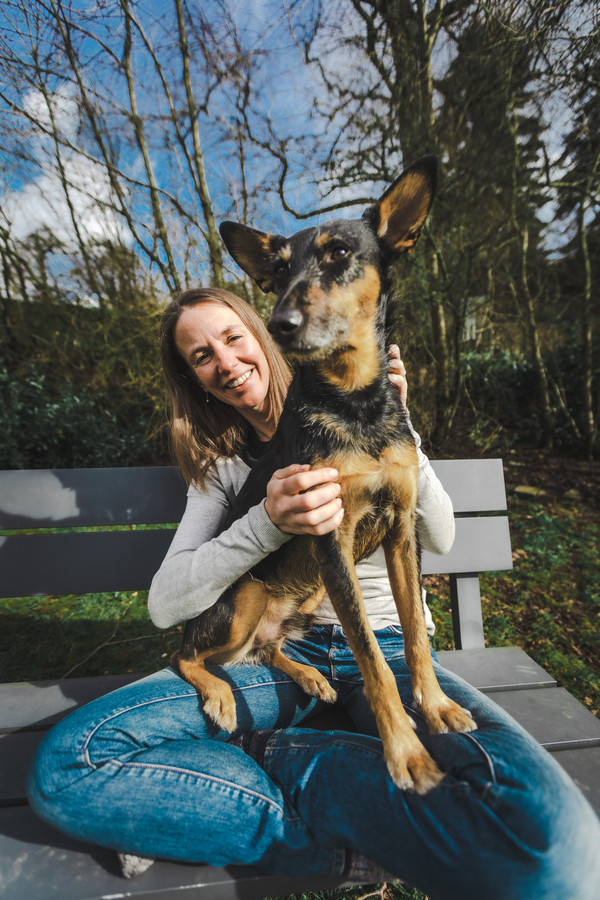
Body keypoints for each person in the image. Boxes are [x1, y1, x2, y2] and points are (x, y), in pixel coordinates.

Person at [28, 287, 600, 899]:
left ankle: (252, 759)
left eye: (231, 337)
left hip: (383, 650)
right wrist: (263, 523)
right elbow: (165, 605)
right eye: (200, 356)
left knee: (555, 849)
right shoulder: (223, 468)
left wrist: (399, 422)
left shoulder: (373, 412)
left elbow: (442, 537)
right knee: (69, 765)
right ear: (195, 380)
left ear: (268, 337)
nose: (223, 361)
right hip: (272, 657)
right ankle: (350, 808)